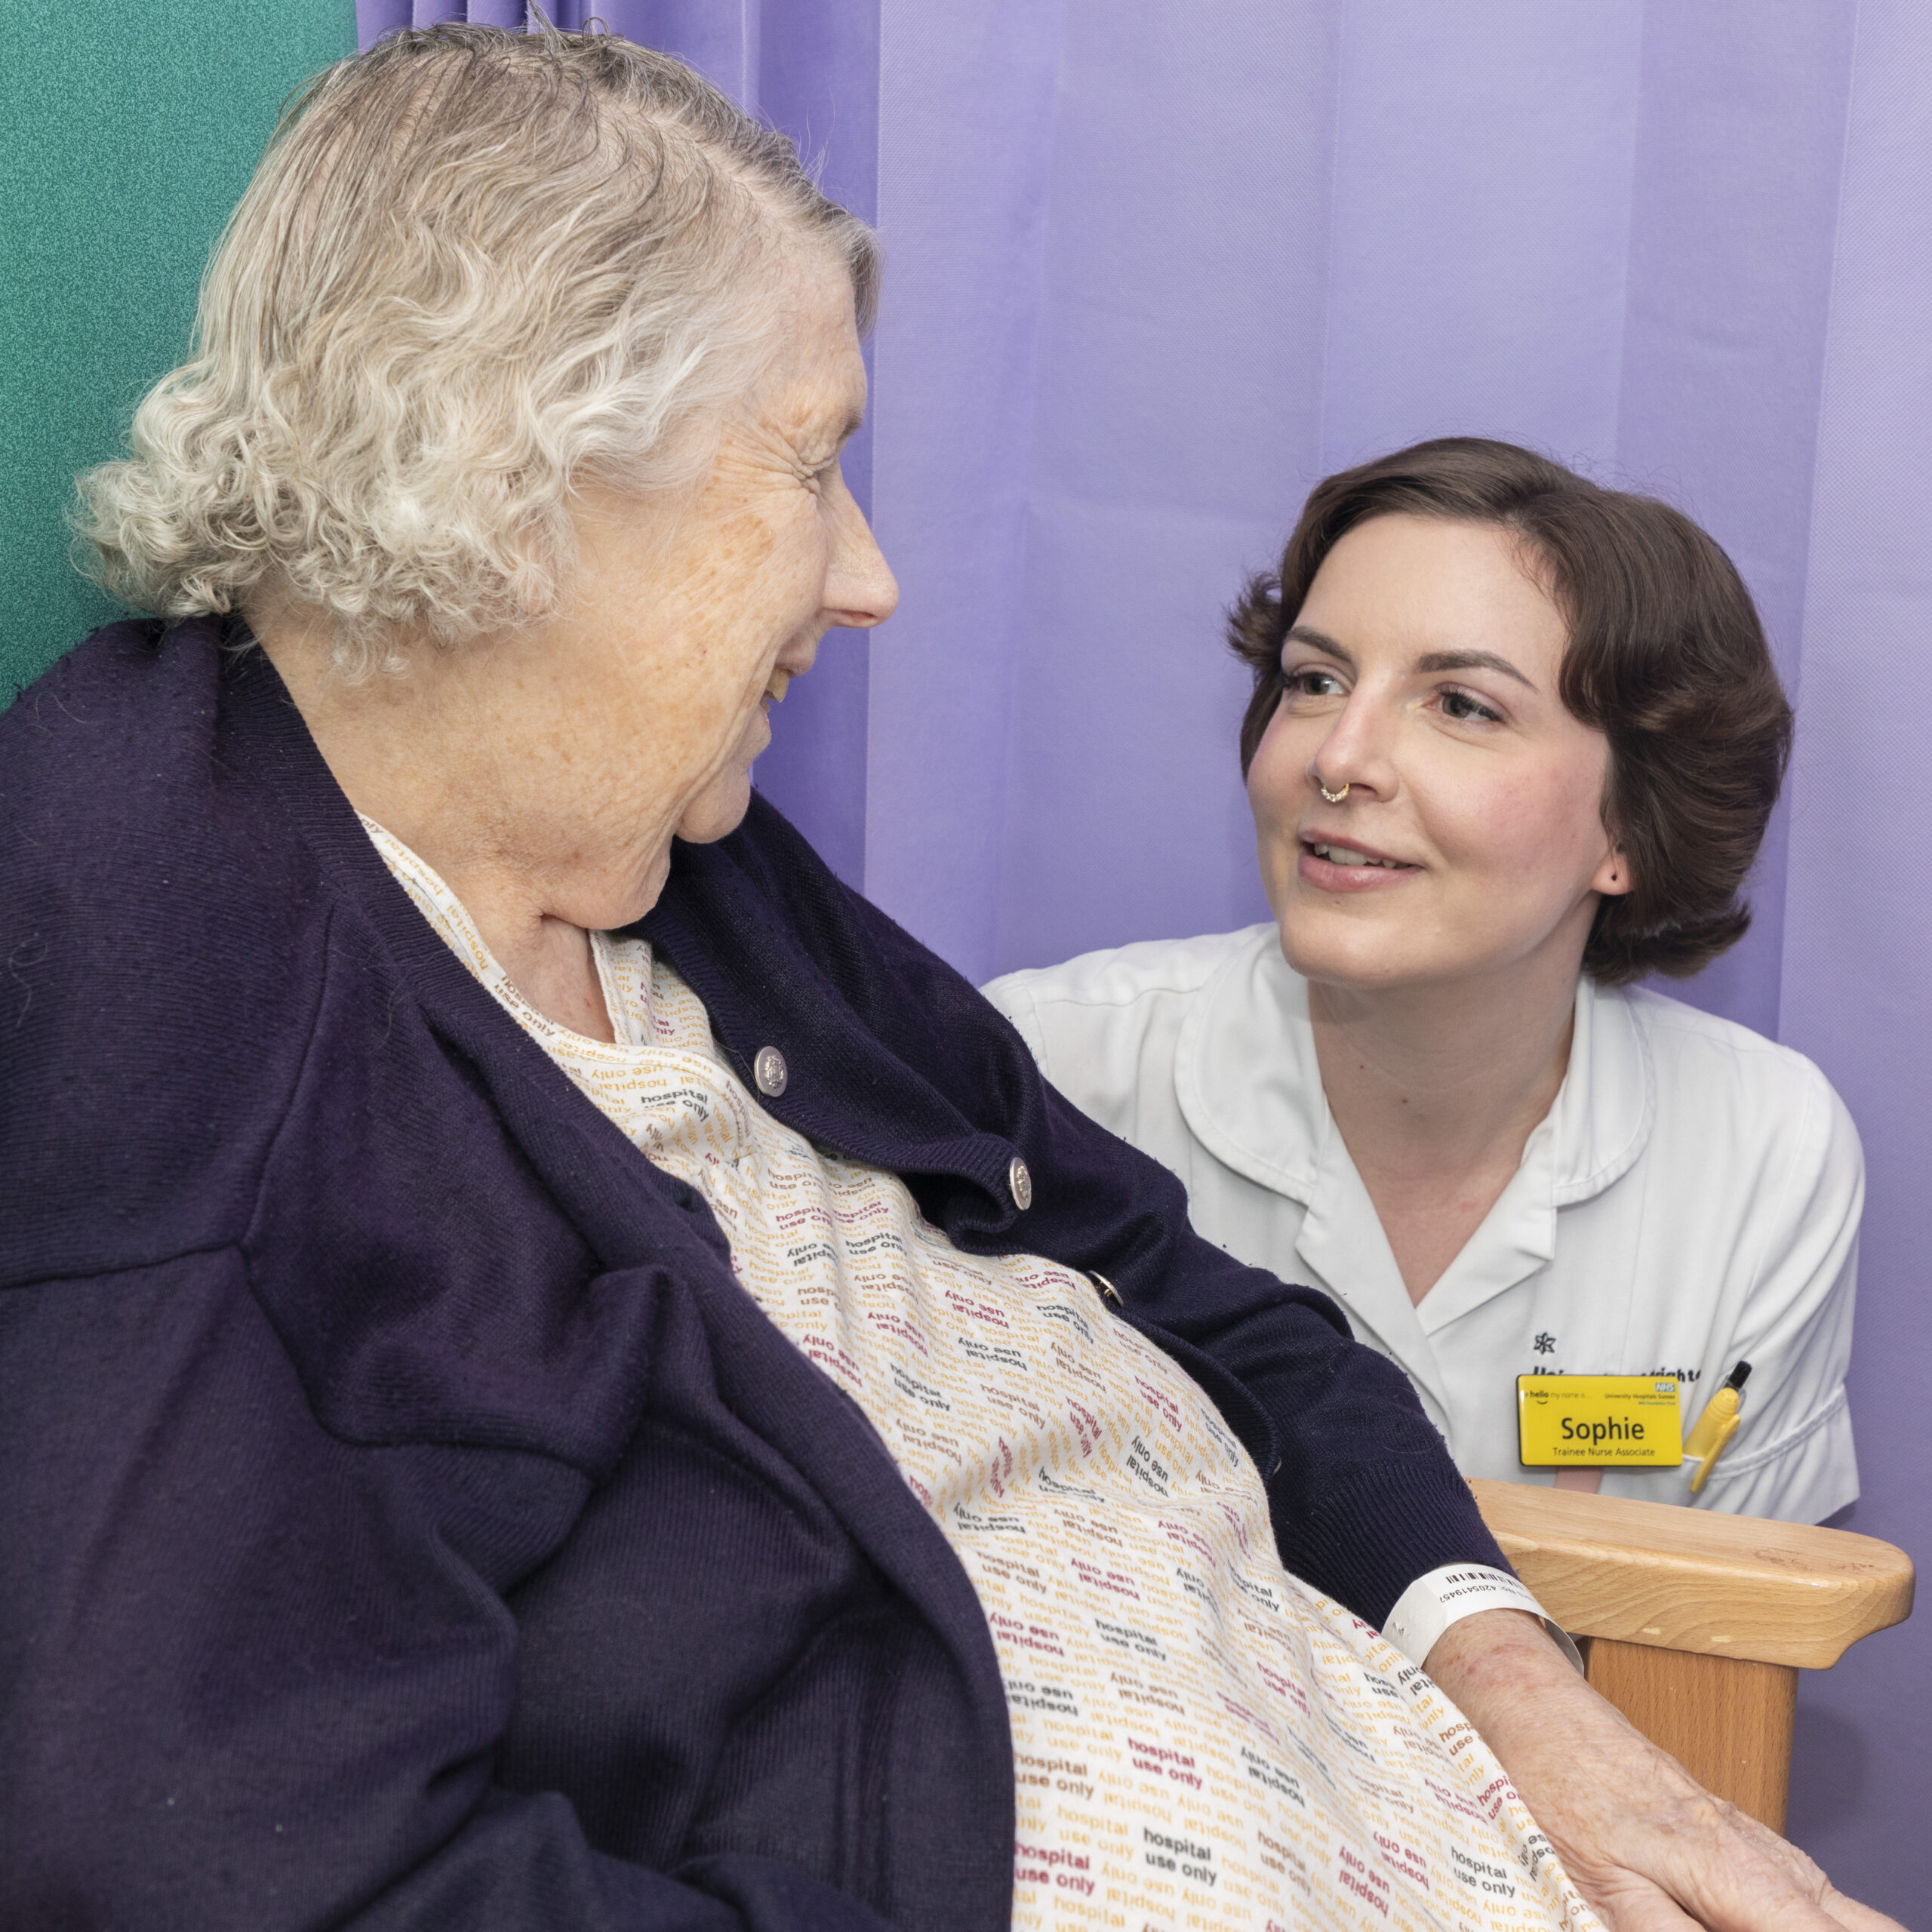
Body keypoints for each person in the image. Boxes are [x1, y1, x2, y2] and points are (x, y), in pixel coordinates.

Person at [0, 29, 1889, 1932]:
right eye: (811, 465)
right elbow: (207, 1855)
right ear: (522, 477)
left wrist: (1507, 1685)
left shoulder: (684, 871)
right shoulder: (176, 993)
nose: (870, 577)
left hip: (1443, 1792)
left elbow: (1190, 1291)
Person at [984, 439, 1860, 1523]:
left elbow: (1737, 1642)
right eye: (1315, 681)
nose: (1339, 757)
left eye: (1462, 706)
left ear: (1633, 826)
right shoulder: (1047, 1071)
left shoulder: (1763, 1152)